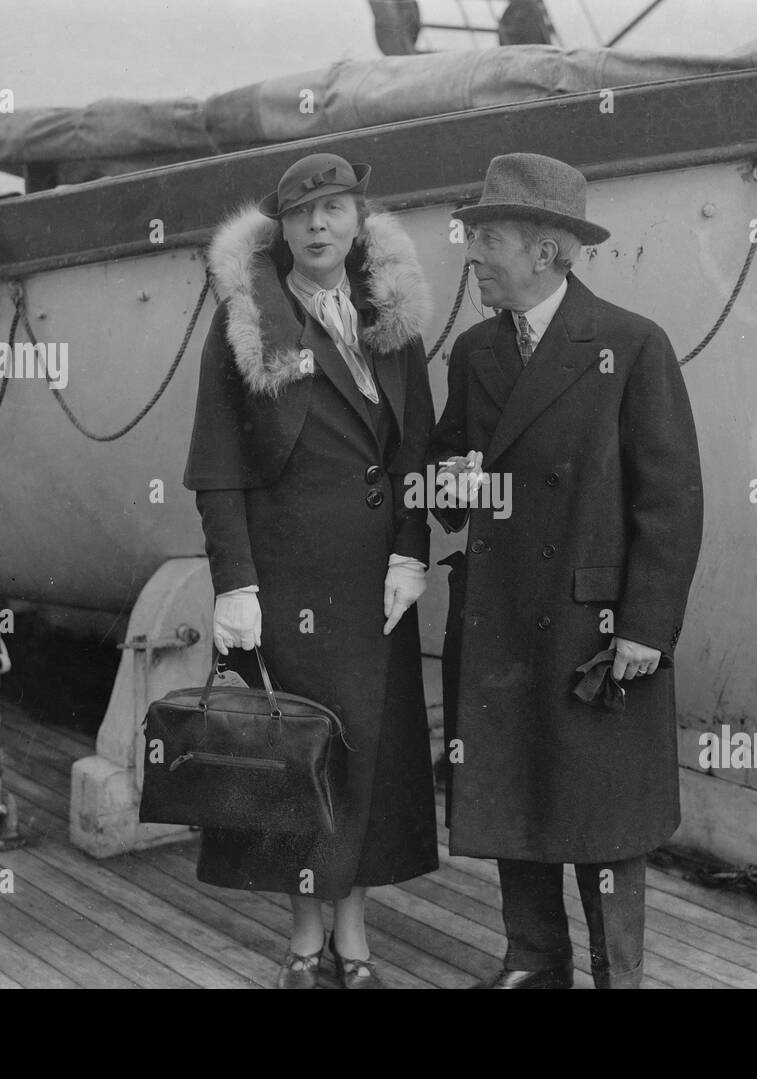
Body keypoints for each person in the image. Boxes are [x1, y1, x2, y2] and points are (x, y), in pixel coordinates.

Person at [430, 153, 703, 989]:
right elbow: (443, 475)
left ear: (547, 251)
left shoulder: (631, 345)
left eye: (487, 239)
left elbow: (672, 501)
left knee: (603, 816)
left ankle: (617, 976)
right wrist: (450, 481)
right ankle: (535, 962)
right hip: (501, 615)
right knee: (514, 788)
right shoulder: (475, 352)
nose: (471, 254)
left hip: (597, 629)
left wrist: (647, 628)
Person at [183, 152, 438, 989]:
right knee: (300, 762)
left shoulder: (390, 321)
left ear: (359, 219)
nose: (319, 225)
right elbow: (217, 467)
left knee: (365, 760)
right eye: (302, 213)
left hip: (375, 592)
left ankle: (354, 936)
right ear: (281, 228)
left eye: (334, 208)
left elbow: (415, 451)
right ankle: (302, 940)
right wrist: (235, 585)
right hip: (289, 585)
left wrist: (411, 550)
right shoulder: (248, 323)